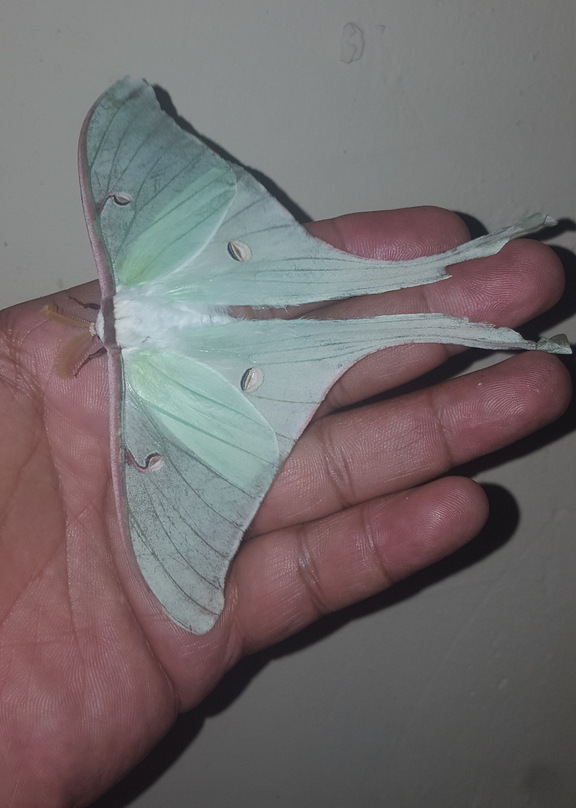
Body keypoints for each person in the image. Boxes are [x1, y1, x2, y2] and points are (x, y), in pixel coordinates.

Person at [0, 205, 570, 807]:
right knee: (366, 318)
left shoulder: (132, 377)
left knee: (369, 316)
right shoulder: (136, 364)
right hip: (223, 339)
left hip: (225, 338)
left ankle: (515, 308)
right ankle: (517, 308)